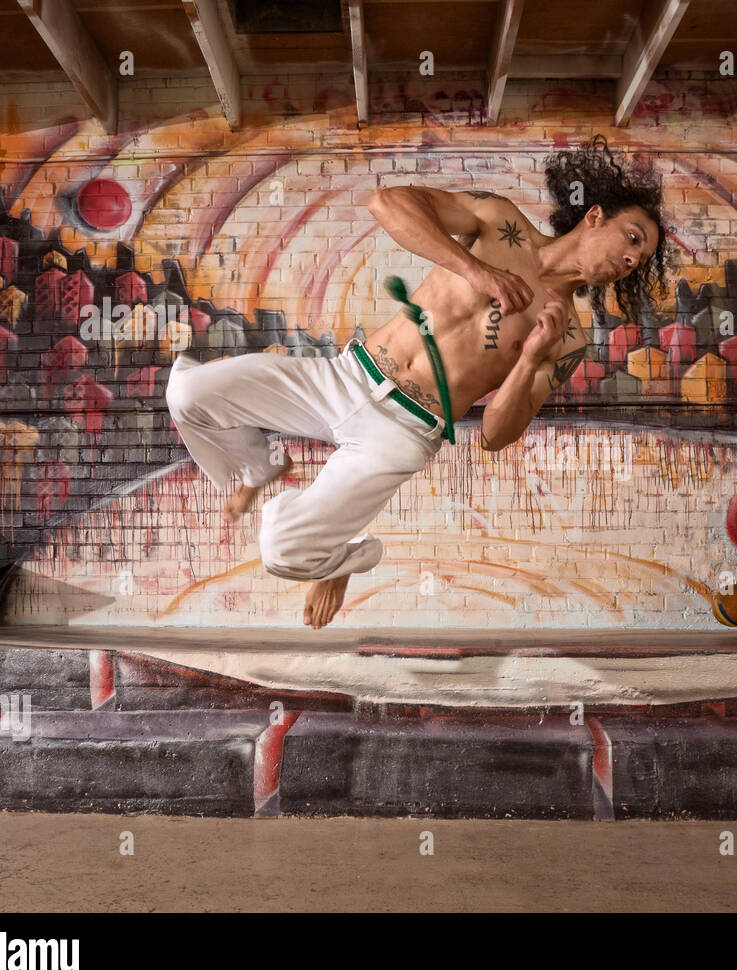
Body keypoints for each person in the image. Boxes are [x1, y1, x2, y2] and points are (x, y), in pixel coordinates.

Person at [165, 135, 670, 627]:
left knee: (282, 551)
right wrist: (478, 271)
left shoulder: (568, 338)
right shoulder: (501, 221)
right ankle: (260, 470)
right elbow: (387, 203)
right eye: (632, 239)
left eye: (639, 261)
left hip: (403, 433)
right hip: (348, 376)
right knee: (188, 394)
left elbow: (495, 437)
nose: (631, 260)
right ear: (595, 215)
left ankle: (344, 559)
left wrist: (529, 361)